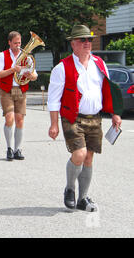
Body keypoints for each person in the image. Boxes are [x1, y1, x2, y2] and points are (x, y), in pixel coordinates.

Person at [47, 24, 123, 212]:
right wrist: (54, 124)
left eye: (89, 39)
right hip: (72, 117)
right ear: (73, 43)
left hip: (95, 117)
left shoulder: (99, 63)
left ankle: (83, 198)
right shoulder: (61, 68)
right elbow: (53, 99)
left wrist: (115, 112)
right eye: (83, 40)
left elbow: (108, 90)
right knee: (79, 154)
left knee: (88, 158)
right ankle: (70, 189)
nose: (87, 43)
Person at [0, 31, 38, 161]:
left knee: (20, 119)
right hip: (6, 90)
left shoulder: (27, 57)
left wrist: (31, 76)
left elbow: (35, 75)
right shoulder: (2, 56)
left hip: (21, 89)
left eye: (19, 43)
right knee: (9, 118)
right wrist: (13, 69)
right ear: (9, 43)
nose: (18, 45)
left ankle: (17, 149)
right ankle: (9, 148)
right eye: (15, 43)